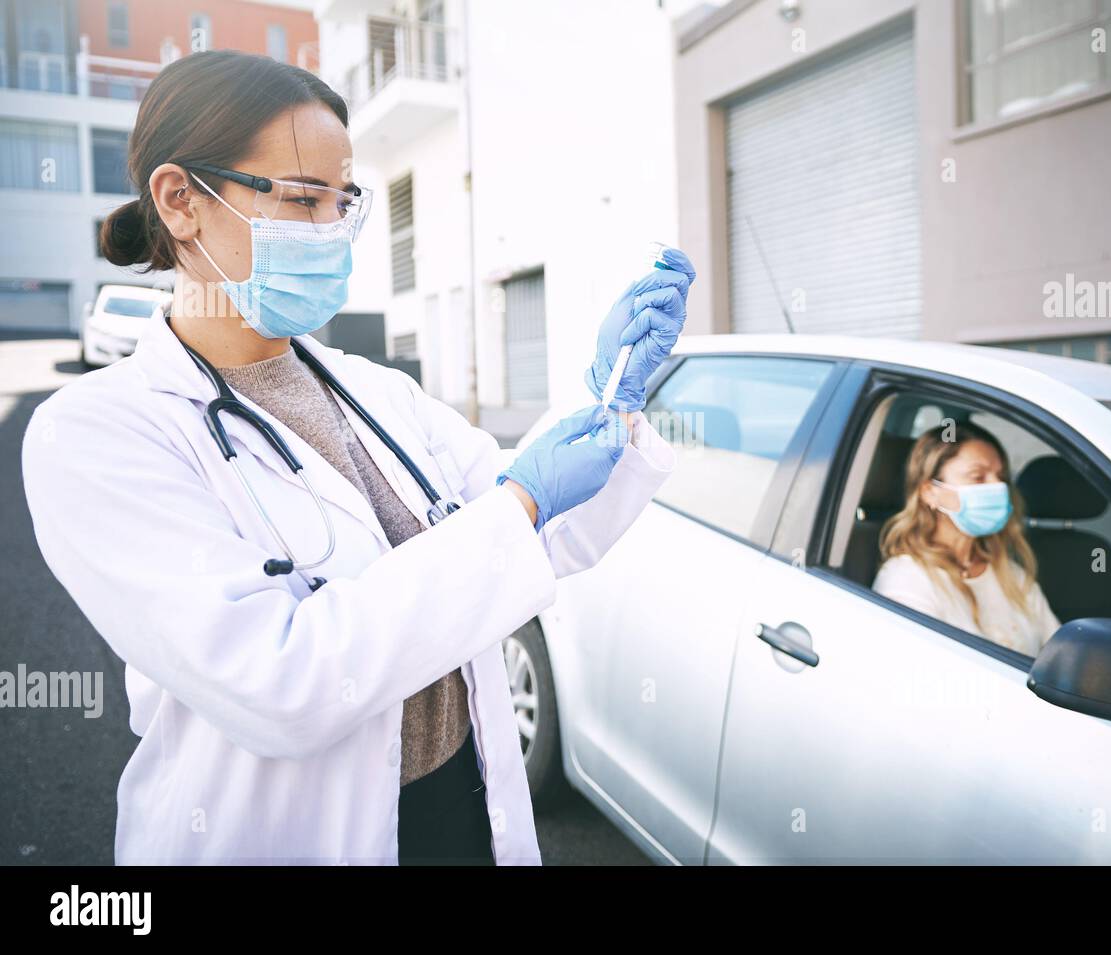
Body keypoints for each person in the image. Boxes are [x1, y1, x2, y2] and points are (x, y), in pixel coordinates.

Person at [20, 50, 694, 865]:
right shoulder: (97, 433)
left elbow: (534, 528)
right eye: (305, 198)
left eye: (344, 203)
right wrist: (521, 504)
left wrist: (613, 398)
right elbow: (280, 682)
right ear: (181, 200)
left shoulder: (374, 391)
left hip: (461, 811)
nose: (334, 231)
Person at [872, 422, 1060, 657]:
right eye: (978, 477)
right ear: (931, 492)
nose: (999, 486)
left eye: (1001, 476)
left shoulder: (1012, 575)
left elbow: (1058, 654)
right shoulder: (907, 579)